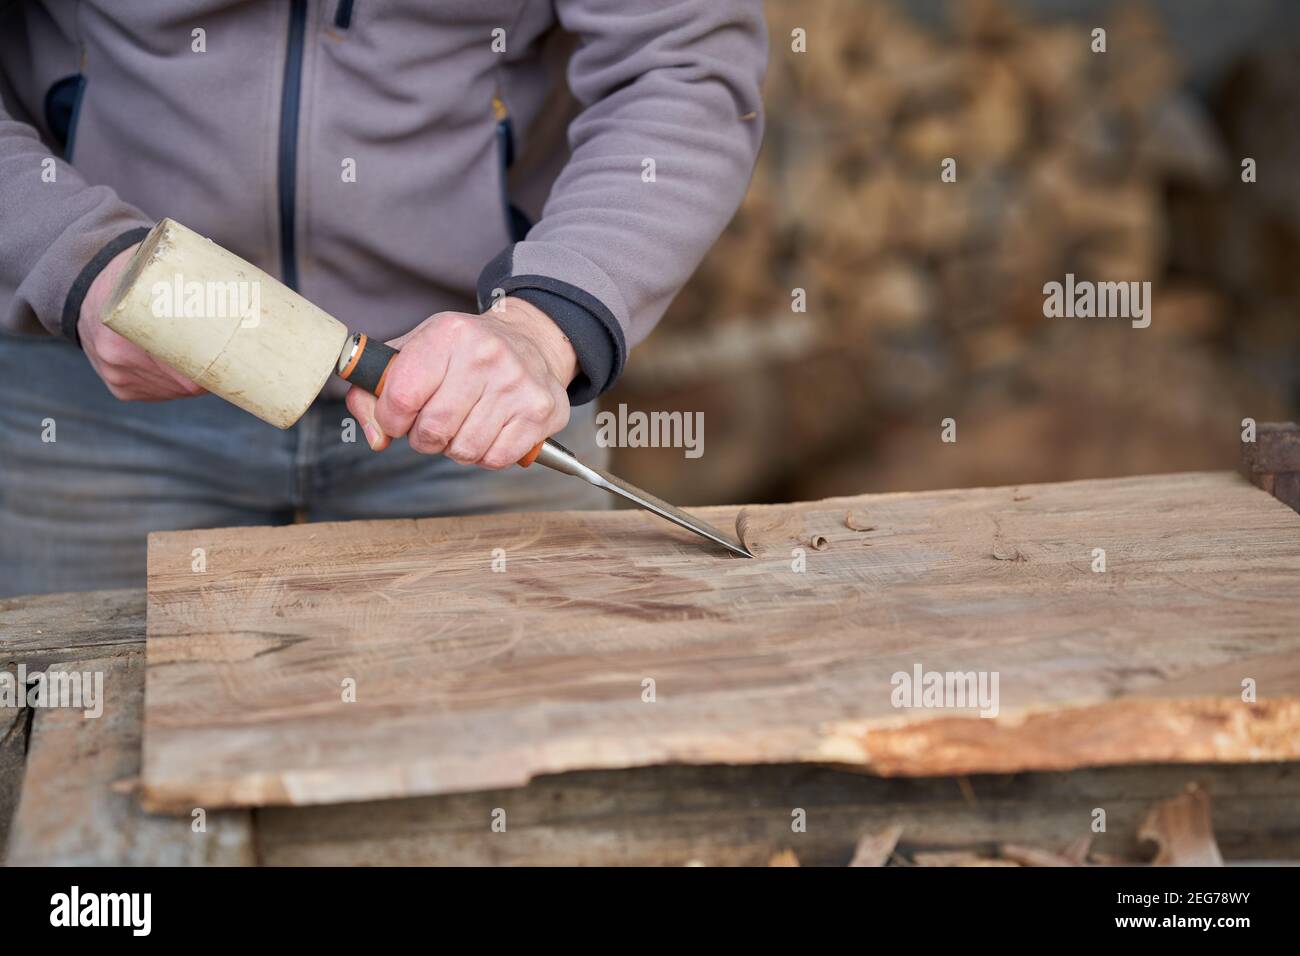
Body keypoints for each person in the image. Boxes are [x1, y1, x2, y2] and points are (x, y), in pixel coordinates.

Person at [0, 1, 767, 597]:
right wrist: (73, 258)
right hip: (85, 415)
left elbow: (684, 65)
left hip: (474, 399)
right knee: (82, 749)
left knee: (500, 755)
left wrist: (541, 326)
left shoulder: (507, 367)